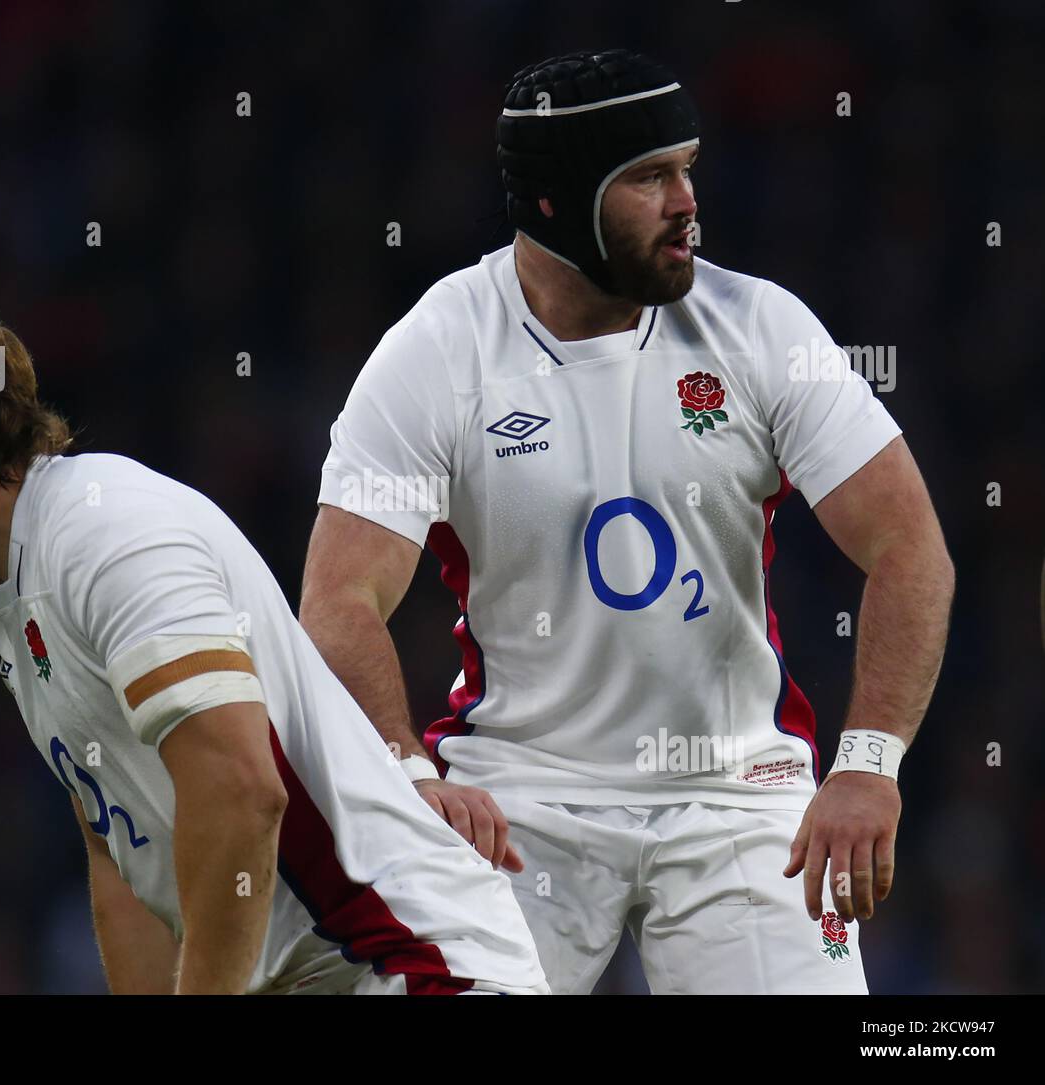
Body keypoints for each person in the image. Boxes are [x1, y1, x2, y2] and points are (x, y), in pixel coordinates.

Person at [300, 50, 954, 994]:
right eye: (649, 178)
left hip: (740, 794)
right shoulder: (437, 350)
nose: (688, 200)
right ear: (559, 201)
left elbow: (910, 548)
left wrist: (867, 763)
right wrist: (409, 777)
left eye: (687, 167)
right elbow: (338, 598)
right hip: (515, 794)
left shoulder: (761, 328)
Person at [0, 289, 548, 995]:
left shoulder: (104, 531)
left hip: (413, 963)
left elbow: (240, 789)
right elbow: (120, 852)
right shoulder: (5, 600)